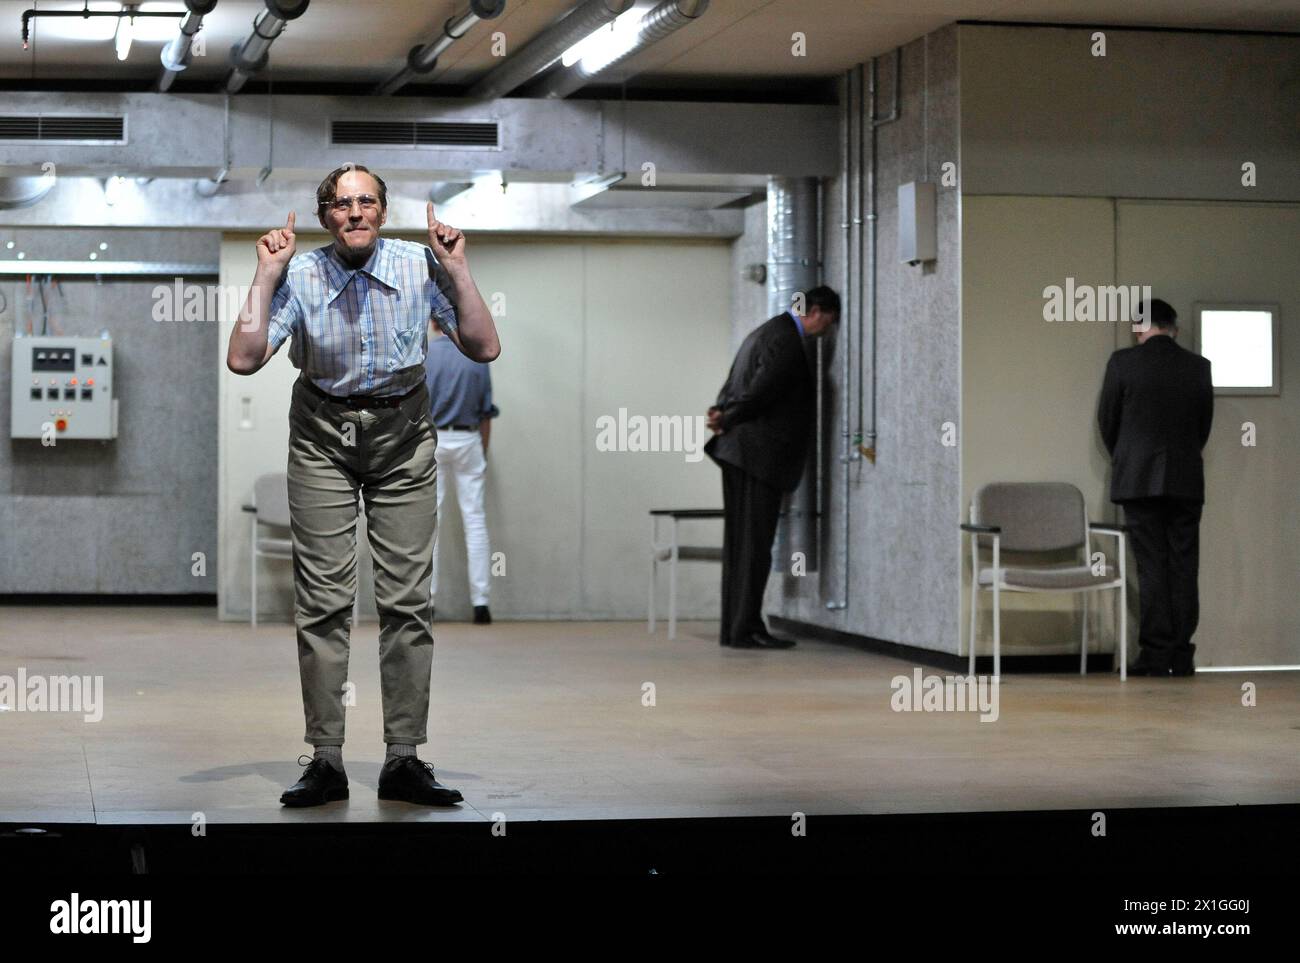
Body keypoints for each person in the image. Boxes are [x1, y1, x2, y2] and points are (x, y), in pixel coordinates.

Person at [226, 163, 501, 806]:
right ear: (326, 216)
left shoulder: (417, 265)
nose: (356, 212)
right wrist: (265, 275)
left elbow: (484, 346)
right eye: (342, 203)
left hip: (403, 437)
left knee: (408, 599)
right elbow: (243, 357)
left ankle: (404, 758)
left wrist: (458, 268)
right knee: (323, 601)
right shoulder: (299, 273)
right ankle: (325, 759)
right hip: (322, 436)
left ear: (383, 210)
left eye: (367, 201)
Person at [704, 286, 839, 649]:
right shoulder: (788, 342)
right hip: (758, 455)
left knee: (740, 544)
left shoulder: (762, 332)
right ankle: (746, 628)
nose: (825, 332)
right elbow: (763, 390)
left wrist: (722, 413)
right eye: (827, 323)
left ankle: (735, 628)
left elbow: (738, 383)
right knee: (754, 545)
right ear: (818, 312)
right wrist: (729, 417)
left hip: (739, 452)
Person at [1098, 298, 1213, 677]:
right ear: (1173, 327)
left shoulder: (1122, 363)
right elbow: (1202, 427)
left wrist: (1128, 457)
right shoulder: (1198, 367)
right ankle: (1181, 654)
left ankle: (1155, 652)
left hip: (1138, 481)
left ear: (1138, 327)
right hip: (1185, 480)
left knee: (1150, 566)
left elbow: (1108, 421)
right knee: (1184, 565)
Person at [424, 324, 499, 624]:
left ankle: (427, 600)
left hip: (434, 439)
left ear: (433, 323)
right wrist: (482, 451)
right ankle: (481, 603)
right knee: (475, 520)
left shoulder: (425, 354)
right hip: (468, 439)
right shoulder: (477, 356)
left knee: (432, 522)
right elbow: (486, 412)